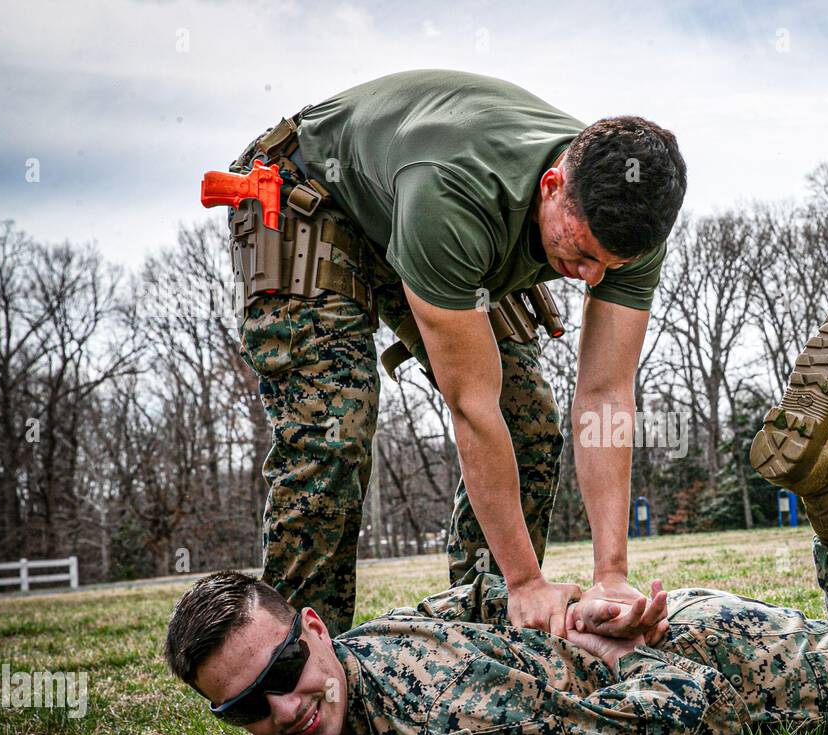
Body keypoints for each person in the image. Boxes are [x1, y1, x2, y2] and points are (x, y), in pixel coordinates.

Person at [164, 293, 828, 735]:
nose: (284, 709)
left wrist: (610, 644)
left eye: (282, 674)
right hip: (679, 631)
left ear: (312, 627)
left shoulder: (454, 734)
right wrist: (571, 613)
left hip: (734, 667)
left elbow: (681, 698)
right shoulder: (370, 647)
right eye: (246, 708)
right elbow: (478, 602)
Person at [225, 70, 687, 640]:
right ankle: (295, 669)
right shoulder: (453, 195)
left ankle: (490, 641)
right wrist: (526, 579)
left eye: (609, 267)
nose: (592, 277)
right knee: (333, 429)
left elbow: (605, 395)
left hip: (425, 214)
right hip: (315, 194)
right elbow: (472, 404)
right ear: (551, 185)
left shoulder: (631, 223)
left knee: (528, 421)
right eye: (583, 252)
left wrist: (611, 574)